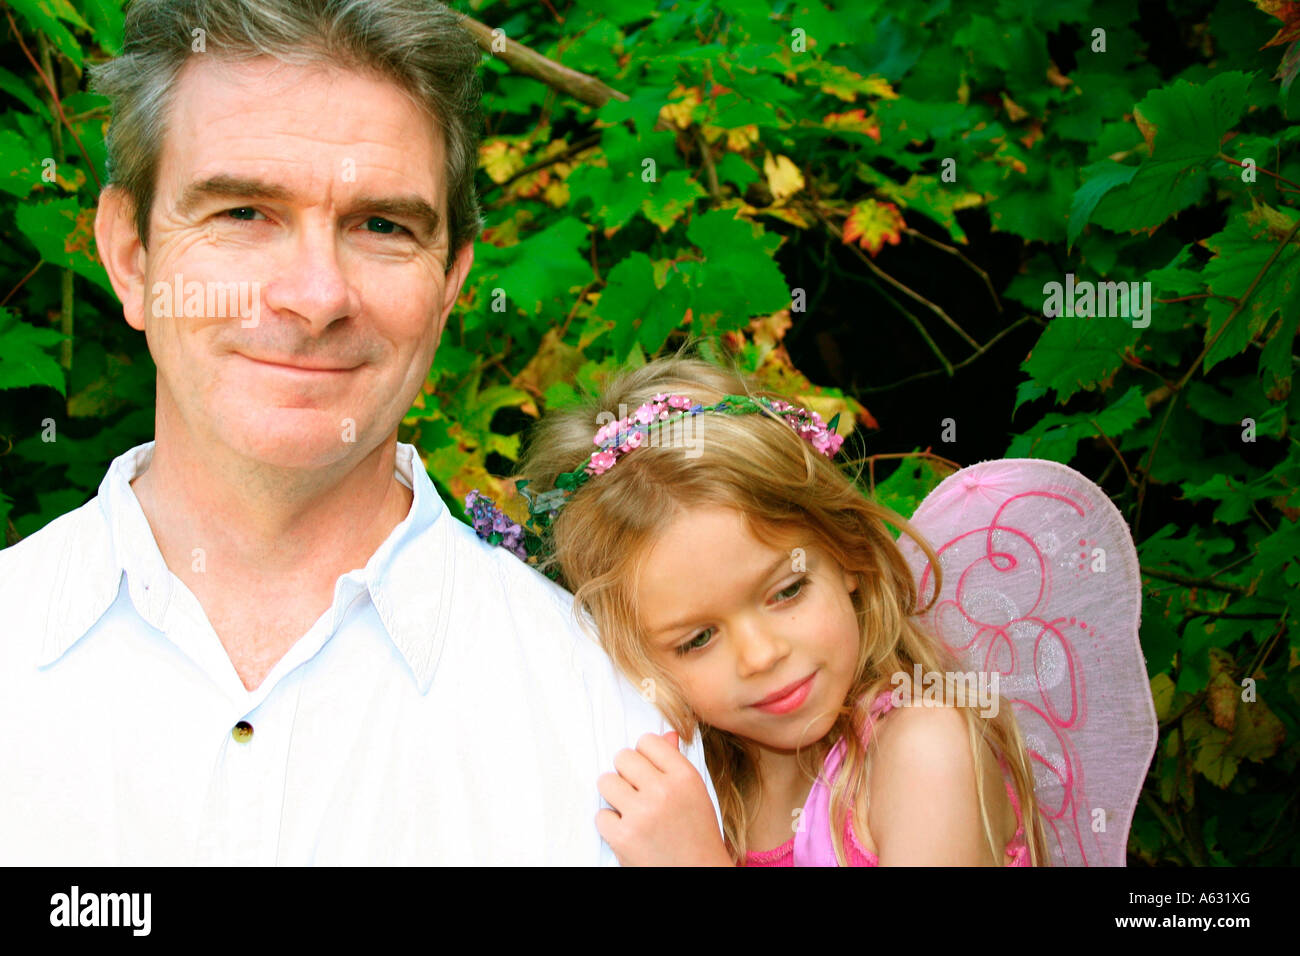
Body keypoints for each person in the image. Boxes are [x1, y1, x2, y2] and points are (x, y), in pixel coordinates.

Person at [0, 0, 720, 865]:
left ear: (452, 280)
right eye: (242, 213)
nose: (315, 295)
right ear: (129, 254)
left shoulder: (619, 724)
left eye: (382, 226)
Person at [492, 353, 1156, 866]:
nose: (762, 655)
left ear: (849, 556)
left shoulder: (921, 752)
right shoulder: (691, 783)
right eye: (696, 639)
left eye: (786, 591)